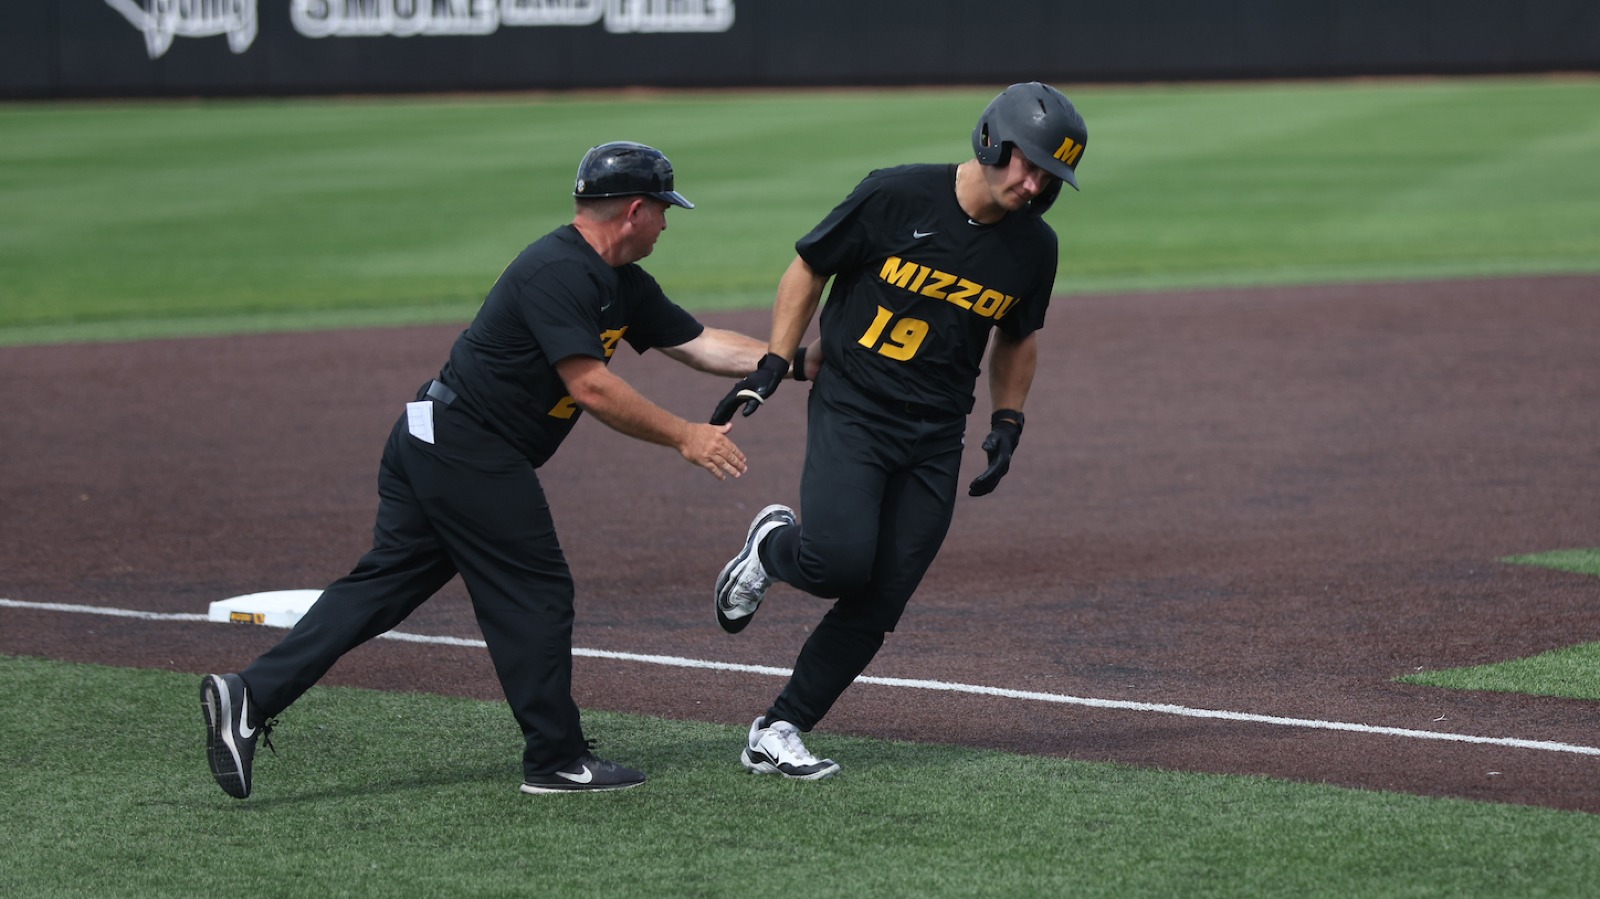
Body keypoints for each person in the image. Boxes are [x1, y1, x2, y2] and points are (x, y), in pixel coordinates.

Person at [203, 141, 787, 798]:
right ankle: (556, 758)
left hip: (439, 439)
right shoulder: (557, 272)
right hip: (465, 444)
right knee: (536, 591)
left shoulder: (622, 283)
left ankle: (248, 694)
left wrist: (796, 359)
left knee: (380, 590)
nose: (667, 223)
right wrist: (686, 436)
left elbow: (703, 345)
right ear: (633, 210)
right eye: (662, 209)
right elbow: (590, 386)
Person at [709, 83, 1088, 779]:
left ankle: (780, 724)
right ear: (990, 140)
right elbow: (810, 265)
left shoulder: (1034, 247)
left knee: (882, 595)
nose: (1032, 184)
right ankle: (771, 546)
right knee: (836, 563)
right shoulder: (895, 196)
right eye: (1026, 163)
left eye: (1048, 177)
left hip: (936, 432)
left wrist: (1009, 418)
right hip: (855, 407)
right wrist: (772, 361)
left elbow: (1018, 337)